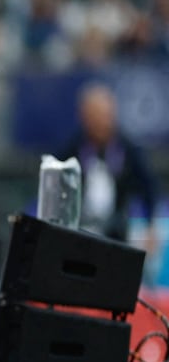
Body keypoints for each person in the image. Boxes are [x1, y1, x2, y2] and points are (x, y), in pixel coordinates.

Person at [63, 82, 157, 245]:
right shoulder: (72, 150)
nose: (102, 122)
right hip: (78, 232)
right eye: (95, 116)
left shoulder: (128, 149)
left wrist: (150, 226)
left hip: (117, 232)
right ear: (84, 117)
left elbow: (149, 188)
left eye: (106, 115)